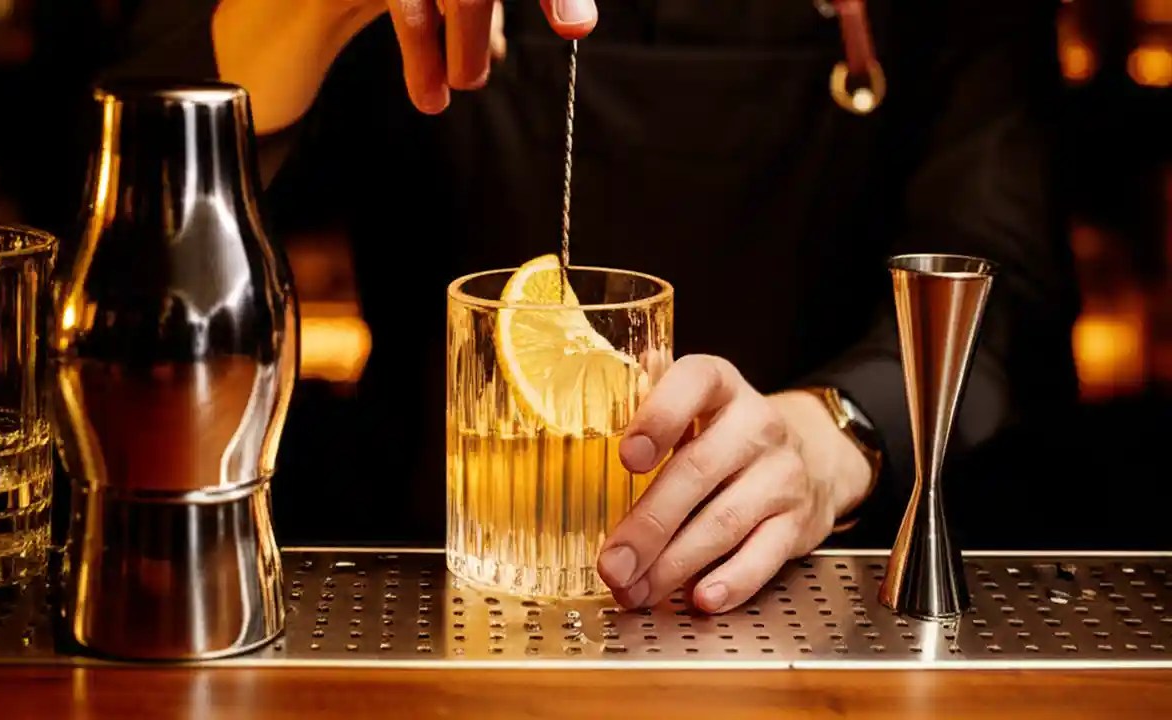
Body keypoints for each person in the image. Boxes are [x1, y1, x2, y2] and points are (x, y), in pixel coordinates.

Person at [108, 0, 1078, 614]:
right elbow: (127, 198)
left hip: (813, 598)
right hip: (430, 575)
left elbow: (1004, 290)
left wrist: (834, 436)